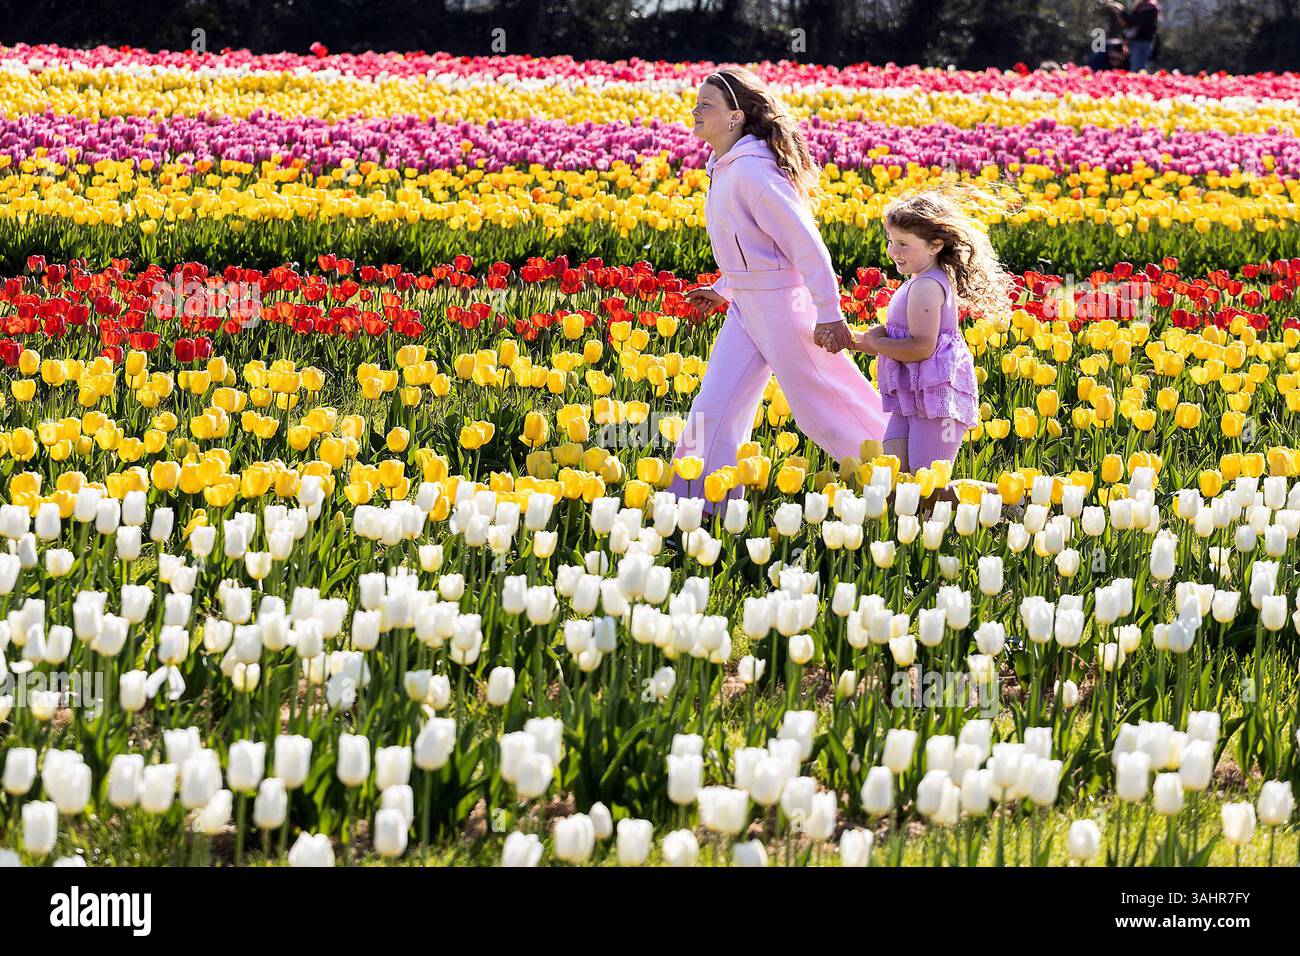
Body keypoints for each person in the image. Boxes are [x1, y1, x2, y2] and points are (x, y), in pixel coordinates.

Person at [669, 66, 889, 519]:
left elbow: (806, 247)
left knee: (825, 405)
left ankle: (908, 478)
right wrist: (725, 288)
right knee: (715, 403)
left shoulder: (753, 173)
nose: (695, 109)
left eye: (706, 103)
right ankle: (695, 507)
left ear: (734, 117)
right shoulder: (728, 167)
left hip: (782, 308)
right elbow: (752, 248)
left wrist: (829, 313)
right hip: (749, 306)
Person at [820, 189, 1012, 511]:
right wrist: (851, 340)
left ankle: (1012, 498)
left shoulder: (926, 286)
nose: (893, 251)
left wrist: (876, 342)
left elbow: (922, 348)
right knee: (896, 482)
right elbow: (899, 344)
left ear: (935, 245)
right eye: (891, 241)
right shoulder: (916, 281)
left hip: (936, 402)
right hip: (910, 398)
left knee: (927, 486)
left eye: (904, 244)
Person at [1107, 0, 1160, 72]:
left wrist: (1121, 11)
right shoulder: (1142, 7)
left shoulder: (1149, 8)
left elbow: (1133, 22)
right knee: (1139, 67)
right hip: (1139, 42)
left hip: (1142, 42)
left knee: (1137, 68)